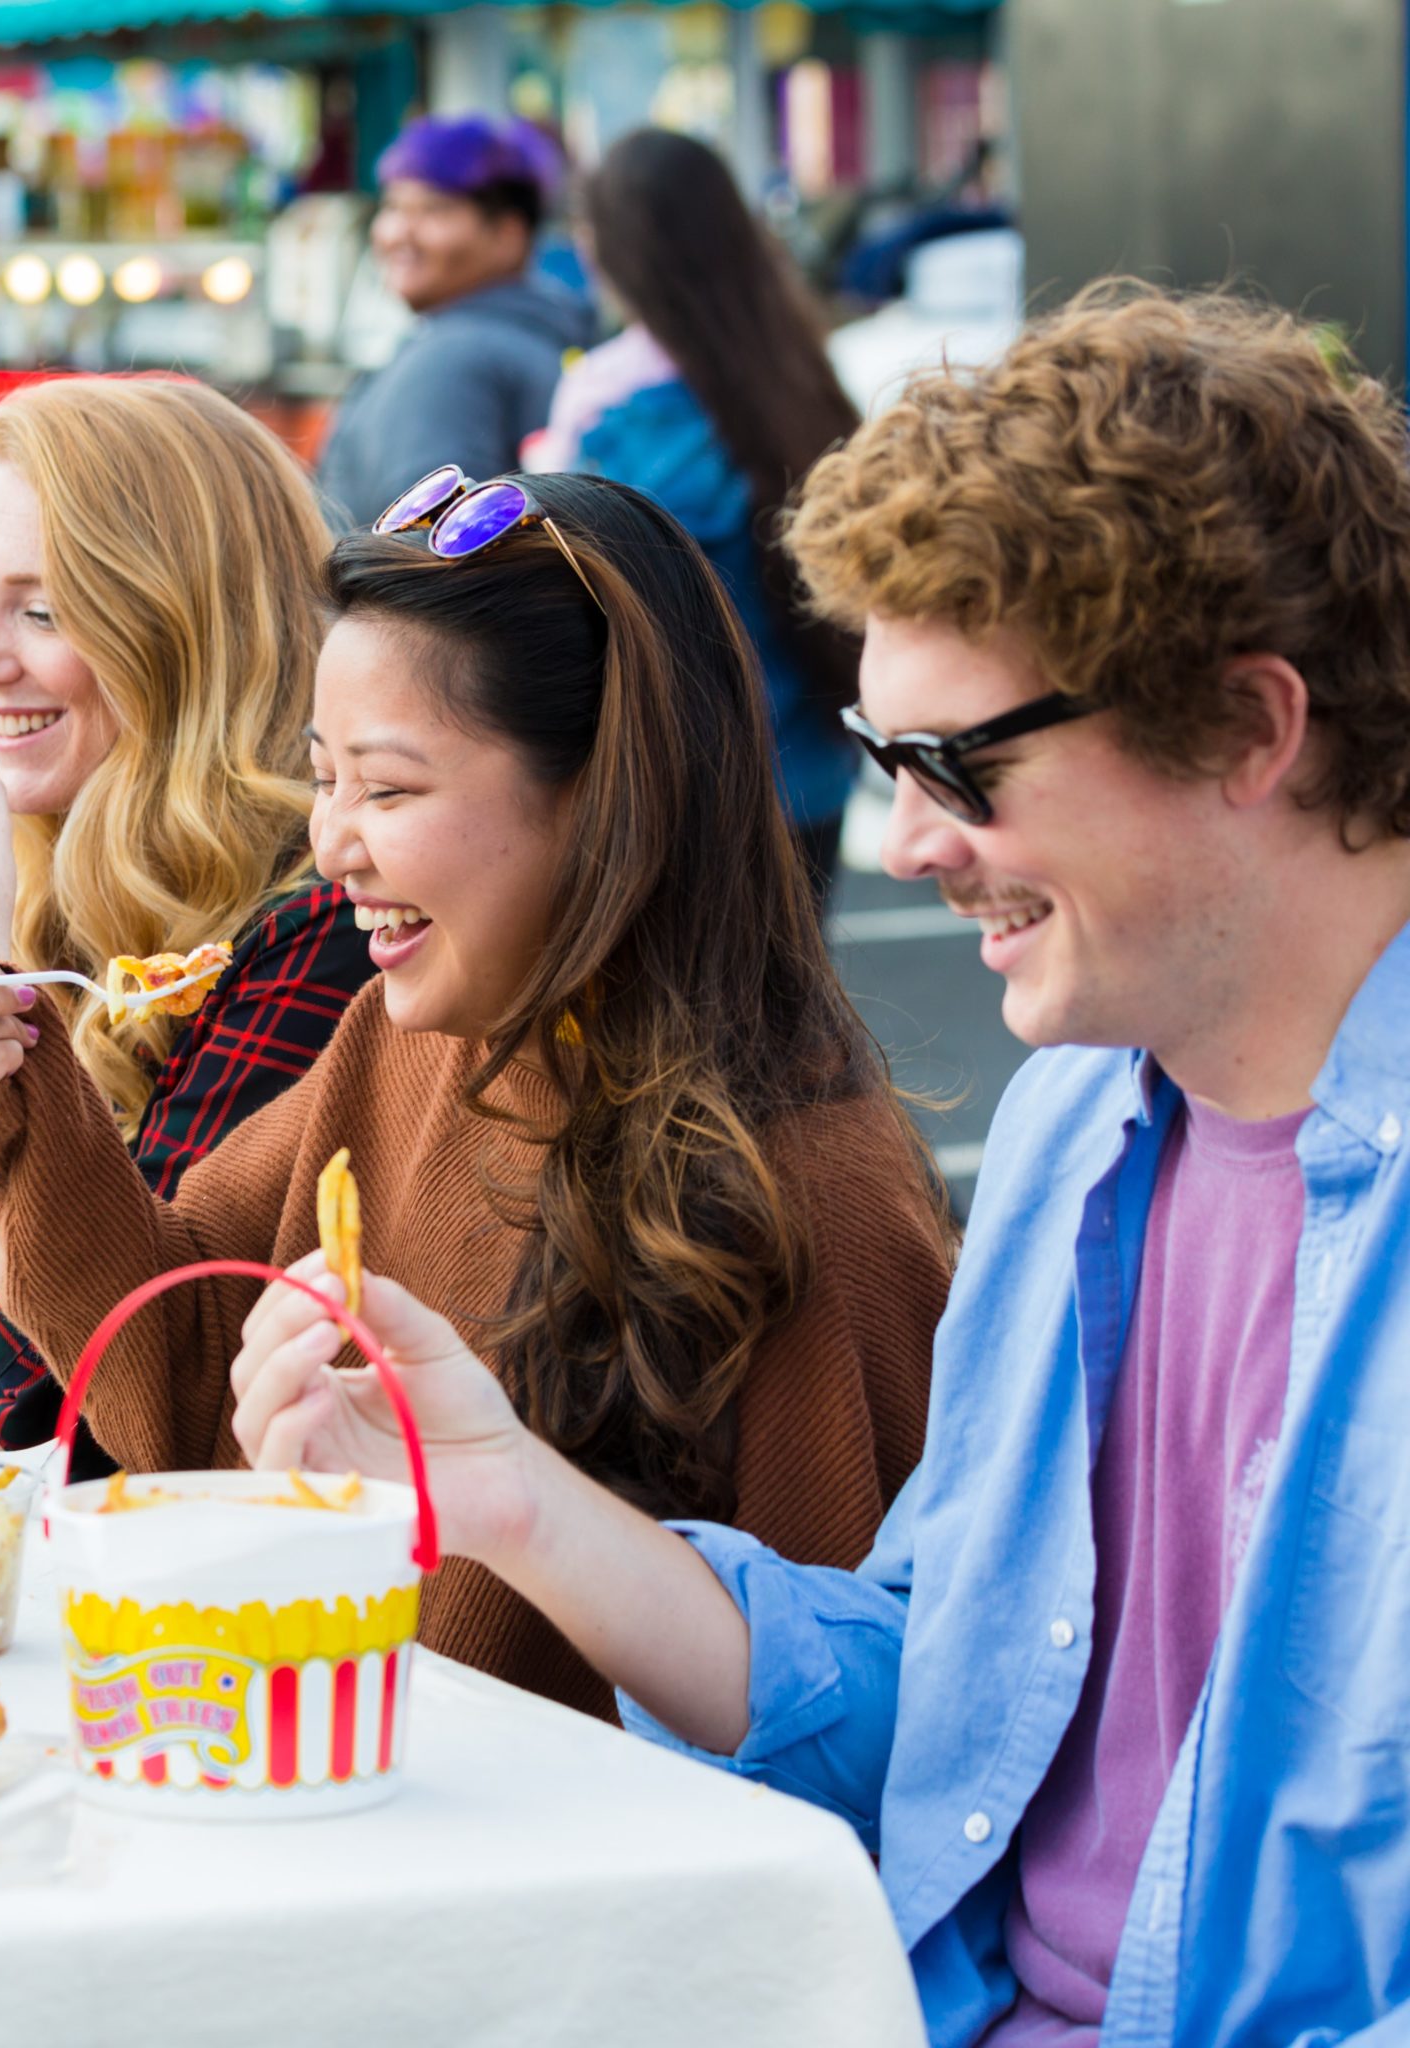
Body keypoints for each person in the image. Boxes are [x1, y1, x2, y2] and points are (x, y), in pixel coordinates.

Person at [231, 289, 1410, 2044]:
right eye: (878, 761)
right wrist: (505, 1493)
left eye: (959, 765)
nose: (908, 839)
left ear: (1249, 728)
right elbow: (928, 1703)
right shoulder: (1076, 1127)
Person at [0, 468, 950, 1714]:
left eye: (386, 788)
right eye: (321, 778)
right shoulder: (398, 1033)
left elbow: (841, 1726)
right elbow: (172, 1351)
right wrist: (6, 1072)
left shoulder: (812, 1186)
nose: (330, 845)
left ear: (603, 797)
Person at [0, 374, 375, 1452]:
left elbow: (58, 1409)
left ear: (186, 629)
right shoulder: (49, 868)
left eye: (43, 609)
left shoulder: (324, 926)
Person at [528, 128, 862, 909]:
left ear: (614, 250)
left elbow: (568, 592)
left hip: (678, 787)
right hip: (811, 769)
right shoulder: (802, 375)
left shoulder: (604, 399)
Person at [314, 114, 594, 531]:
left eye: (433, 209)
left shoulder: (452, 359)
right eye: (391, 206)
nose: (397, 233)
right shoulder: (539, 334)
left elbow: (428, 554)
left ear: (508, 234)